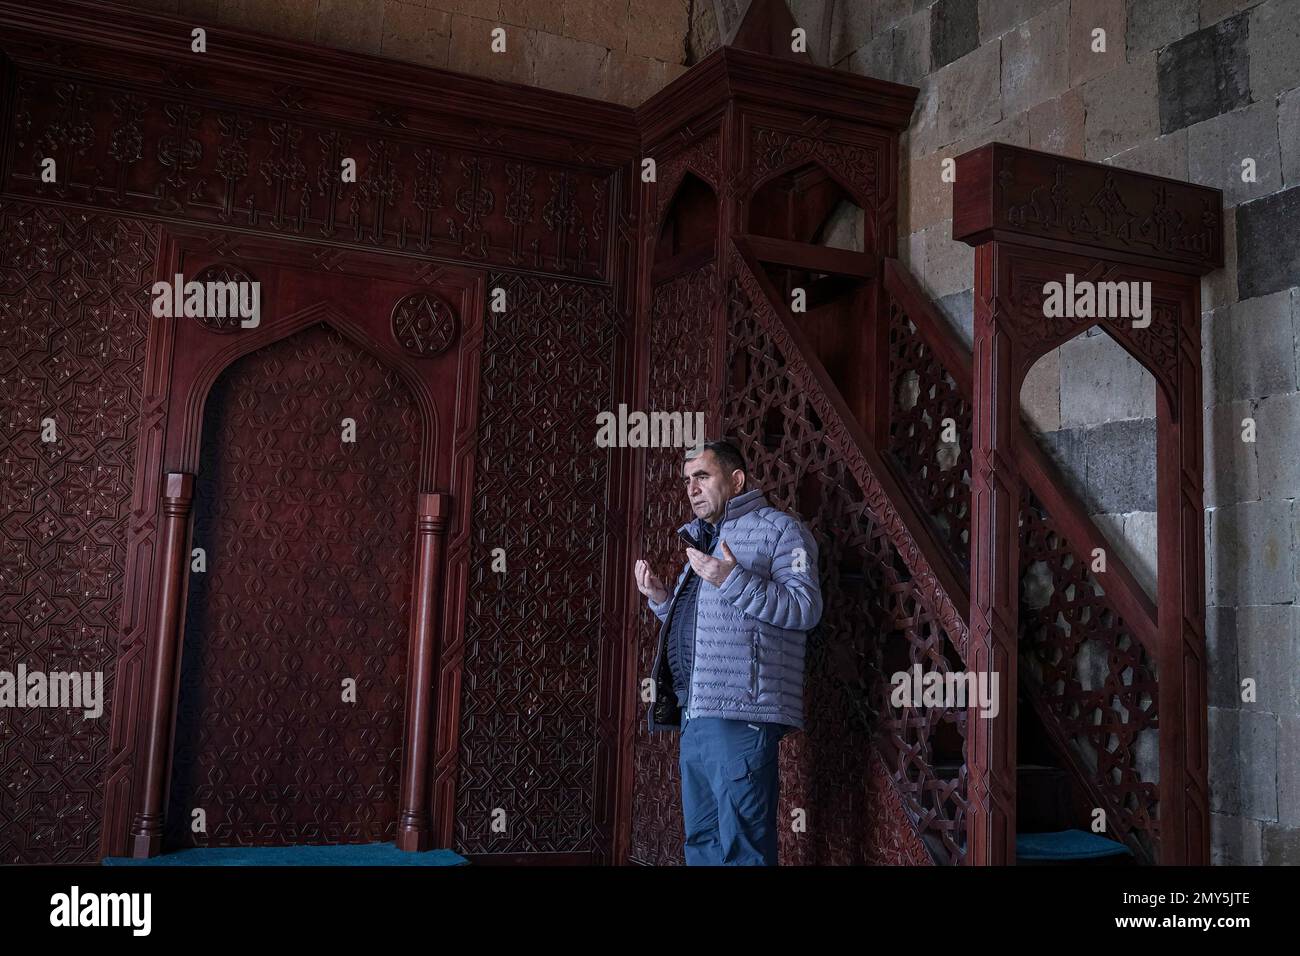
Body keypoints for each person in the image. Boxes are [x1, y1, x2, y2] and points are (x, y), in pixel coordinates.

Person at [634, 439, 822, 866]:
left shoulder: (781, 530)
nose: (692, 488)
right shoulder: (706, 541)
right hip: (695, 712)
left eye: (703, 476)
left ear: (736, 480)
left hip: (743, 714)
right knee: (701, 841)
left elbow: (805, 608)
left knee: (742, 846)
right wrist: (662, 598)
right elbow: (707, 627)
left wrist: (731, 578)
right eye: (687, 480)